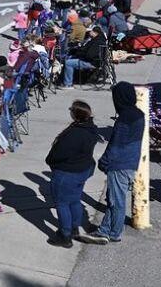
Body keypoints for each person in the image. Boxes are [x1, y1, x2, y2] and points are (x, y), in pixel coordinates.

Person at [81, 83, 145, 245]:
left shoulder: (125, 118)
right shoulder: (138, 114)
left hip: (119, 165)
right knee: (113, 199)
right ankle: (104, 230)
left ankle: (115, 232)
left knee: (116, 201)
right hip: (130, 162)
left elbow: (116, 144)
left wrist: (104, 162)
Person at [45, 100, 100, 248]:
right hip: (82, 171)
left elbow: (57, 154)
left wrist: (50, 161)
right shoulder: (91, 129)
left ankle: (65, 235)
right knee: (75, 200)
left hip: (66, 174)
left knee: (62, 204)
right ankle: (74, 228)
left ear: (75, 115)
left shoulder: (74, 134)